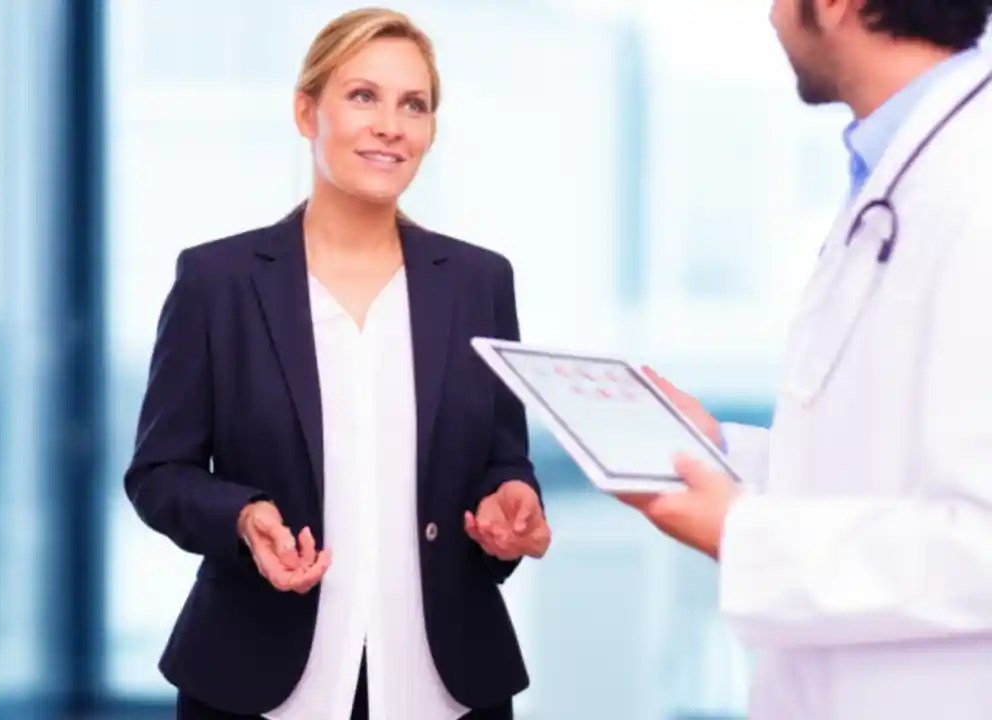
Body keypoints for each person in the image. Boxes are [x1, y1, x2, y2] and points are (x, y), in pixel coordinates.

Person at [123, 8, 551, 719]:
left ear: (431, 130)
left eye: (413, 104)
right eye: (363, 96)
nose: (390, 125)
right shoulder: (217, 282)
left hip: (444, 686)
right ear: (305, 111)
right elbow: (157, 474)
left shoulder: (480, 284)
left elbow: (502, 463)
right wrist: (241, 516)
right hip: (255, 683)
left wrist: (511, 505)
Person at [619, 1, 992, 718]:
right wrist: (720, 453)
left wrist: (742, 533)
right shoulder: (903, 168)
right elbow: (882, 463)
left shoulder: (973, 188)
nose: (769, 15)